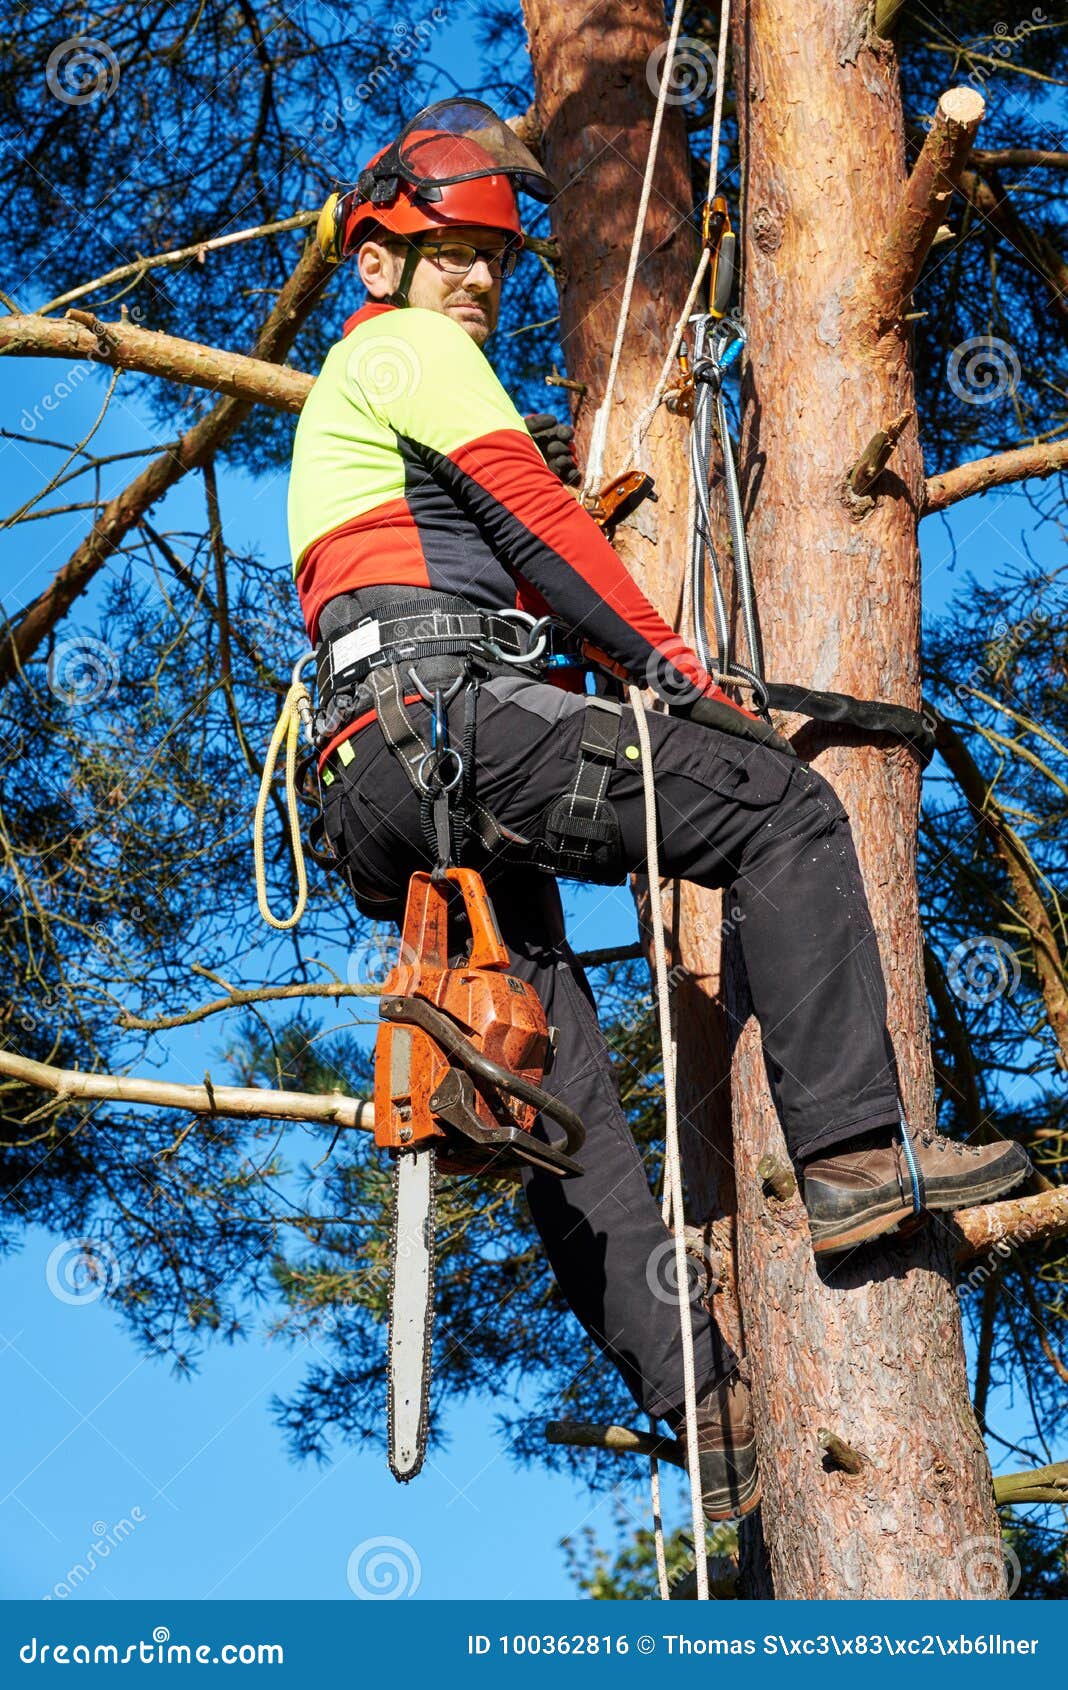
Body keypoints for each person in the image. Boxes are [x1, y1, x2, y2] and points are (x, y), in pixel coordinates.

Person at [287, 100, 1032, 1522]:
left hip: (385, 775)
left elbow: (481, 579)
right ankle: (857, 1157)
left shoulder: (357, 416)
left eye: (497, 262)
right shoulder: (403, 350)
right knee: (780, 808)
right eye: (453, 254)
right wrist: (675, 671)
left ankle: (710, 1411)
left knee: (548, 1082)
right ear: (378, 262)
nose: (480, 282)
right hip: (448, 728)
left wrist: (590, 661)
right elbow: (543, 527)